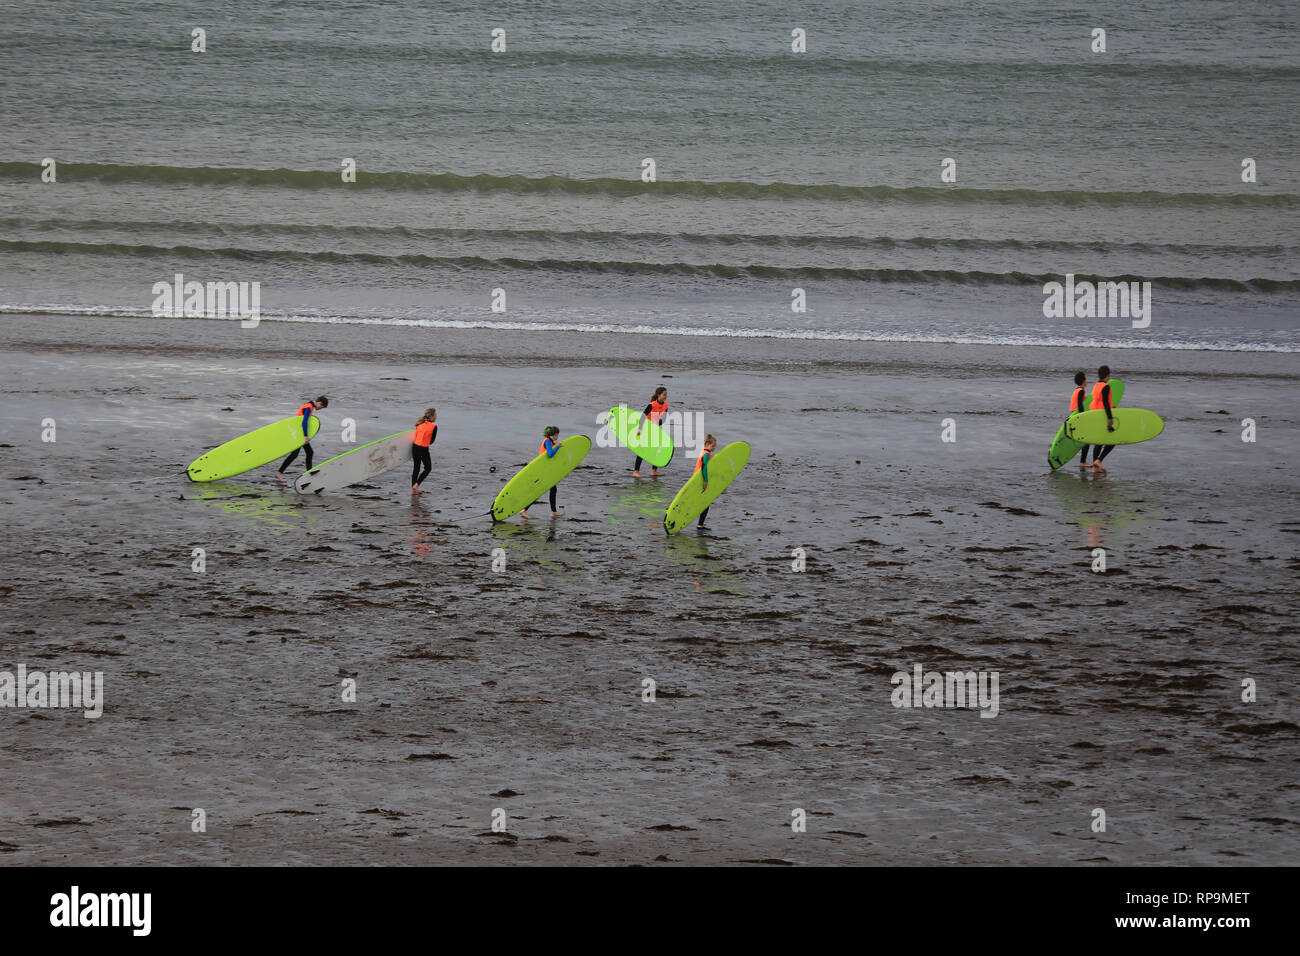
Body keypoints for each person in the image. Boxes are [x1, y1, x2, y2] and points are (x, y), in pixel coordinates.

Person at [275, 396, 328, 479]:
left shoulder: (308, 405)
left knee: (300, 454)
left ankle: (281, 472)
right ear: (320, 403)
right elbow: (304, 422)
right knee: (305, 453)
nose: (320, 409)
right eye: (321, 407)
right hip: (299, 434)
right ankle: (280, 472)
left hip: (297, 433)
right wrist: (305, 436)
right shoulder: (309, 407)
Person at [520, 426, 564, 519]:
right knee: (539, 491)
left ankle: (554, 512)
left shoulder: (551, 442)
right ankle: (523, 510)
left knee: (553, 489)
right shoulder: (548, 441)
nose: (558, 436)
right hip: (542, 470)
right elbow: (550, 454)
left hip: (546, 469)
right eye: (557, 434)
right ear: (554, 434)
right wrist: (557, 447)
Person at [631, 386, 669, 478]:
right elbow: (643, 416)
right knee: (642, 450)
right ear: (659, 395)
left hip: (656, 430)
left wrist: (657, 421)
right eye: (664, 394)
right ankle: (636, 471)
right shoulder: (652, 405)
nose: (665, 396)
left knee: (656, 450)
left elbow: (663, 420)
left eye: (666, 395)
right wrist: (639, 429)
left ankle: (654, 471)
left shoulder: (666, 406)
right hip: (646, 429)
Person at [1089, 366, 1117, 474]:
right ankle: (1098, 460)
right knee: (1113, 440)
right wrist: (1110, 418)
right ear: (1108, 374)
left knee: (1099, 442)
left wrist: (1111, 407)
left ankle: (1094, 468)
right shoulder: (1106, 387)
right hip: (1103, 417)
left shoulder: (1096, 385)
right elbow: (1105, 403)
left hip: (1095, 415)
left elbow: (1099, 401)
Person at [1068, 371, 1092, 469]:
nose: (1087, 381)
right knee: (1087, 439)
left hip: (1073, 415)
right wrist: (1083, 416)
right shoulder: (1081, 391)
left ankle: (1083, 461)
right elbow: (1080, 404)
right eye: (1086, 379)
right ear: (1083, 380)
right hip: (1078, 417)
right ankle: (1082, 462)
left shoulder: (1076, 390)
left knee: (1084, 439)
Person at [694, 434, 718, 532]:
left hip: (696, 480)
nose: (714, 448)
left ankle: (700, 525)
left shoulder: (703, 452)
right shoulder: (706, 454)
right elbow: (704, 468)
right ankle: (700, 526)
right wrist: (706, 481)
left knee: (701, 502)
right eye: (713, 446)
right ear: (707, 444)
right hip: (700, 481)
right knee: (705, 504)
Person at [411, 408, 437, 494]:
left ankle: (413, 490)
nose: (436, 418)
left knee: (416, 468)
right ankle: (417, 485)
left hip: (414, 447)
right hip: (423, 448)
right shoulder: (434, 426)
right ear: (432, 416)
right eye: (435, 416)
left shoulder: (419, 424)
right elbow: (432, 441)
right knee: (428, 468)